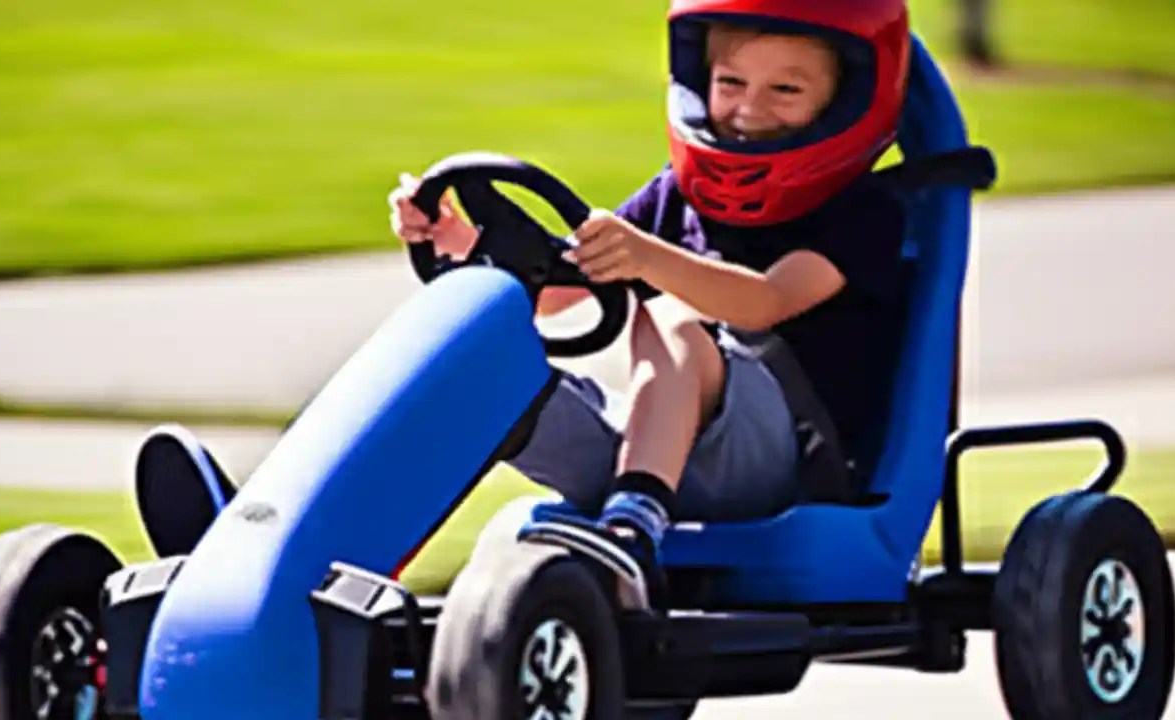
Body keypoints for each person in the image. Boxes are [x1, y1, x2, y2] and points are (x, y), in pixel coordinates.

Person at [387, 0, 913, 574]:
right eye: (730, 82)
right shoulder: (678, 193)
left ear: (844, 102)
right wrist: (456, 239)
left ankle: (633, 522)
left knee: (667, 316)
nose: (748, 108)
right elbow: (559, 286)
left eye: (785, 90)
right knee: (484, 377)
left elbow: (767, 302)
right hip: (660, 450)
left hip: (785, 462)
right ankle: (355, 573)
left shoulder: (862, 212)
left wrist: (646, 259)